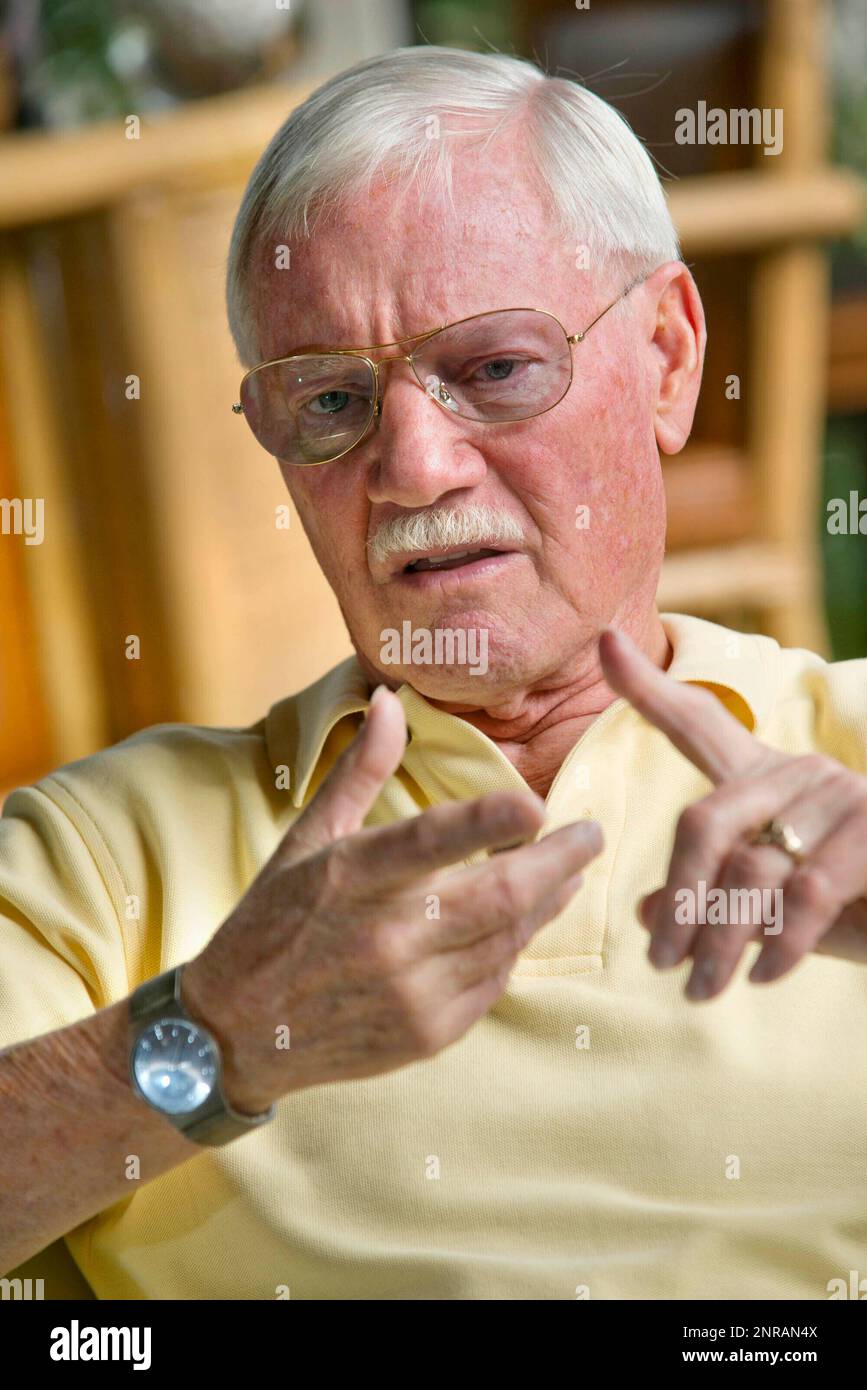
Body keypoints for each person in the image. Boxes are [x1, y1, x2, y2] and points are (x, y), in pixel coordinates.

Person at [1, 47, 865, 1301]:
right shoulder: (104, 856)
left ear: (670, 359)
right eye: (333, 402)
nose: (413, 466)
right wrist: (213, 1042)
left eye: (495, 369)